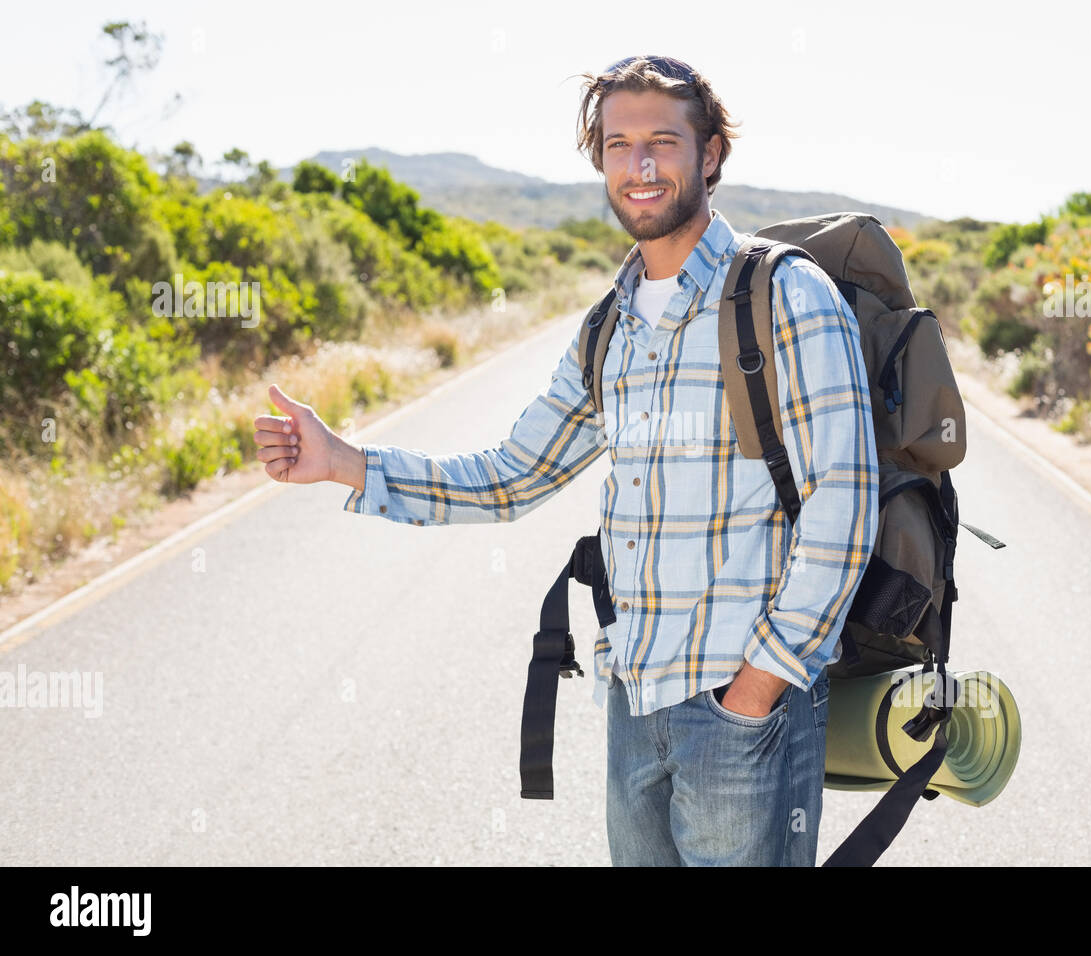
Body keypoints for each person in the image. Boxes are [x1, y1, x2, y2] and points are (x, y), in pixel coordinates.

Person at [251, 54, 878, 866]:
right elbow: (514, 475)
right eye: (619, 145)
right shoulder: (608, 326)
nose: (640, 167)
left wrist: (756, 692)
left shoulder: (785, 295)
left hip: (742, 709)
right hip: (634, 702)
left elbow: (845, 504)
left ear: (710, 155)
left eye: (662, 142)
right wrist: (345, 462)